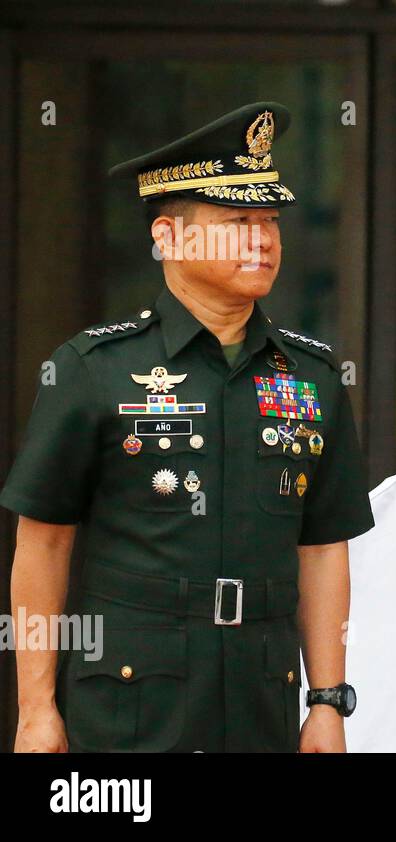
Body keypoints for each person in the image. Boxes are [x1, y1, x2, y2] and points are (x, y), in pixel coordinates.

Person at [3, 102, 374, 752]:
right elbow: (43, 546)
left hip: (259, 699)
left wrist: (325, 702)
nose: (262, 239)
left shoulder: (311, 377)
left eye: (269, 222)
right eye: (237, 222)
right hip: (129, 705)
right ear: (170, 239)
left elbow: (321, 549)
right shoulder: (94, 369)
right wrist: (35, 709)